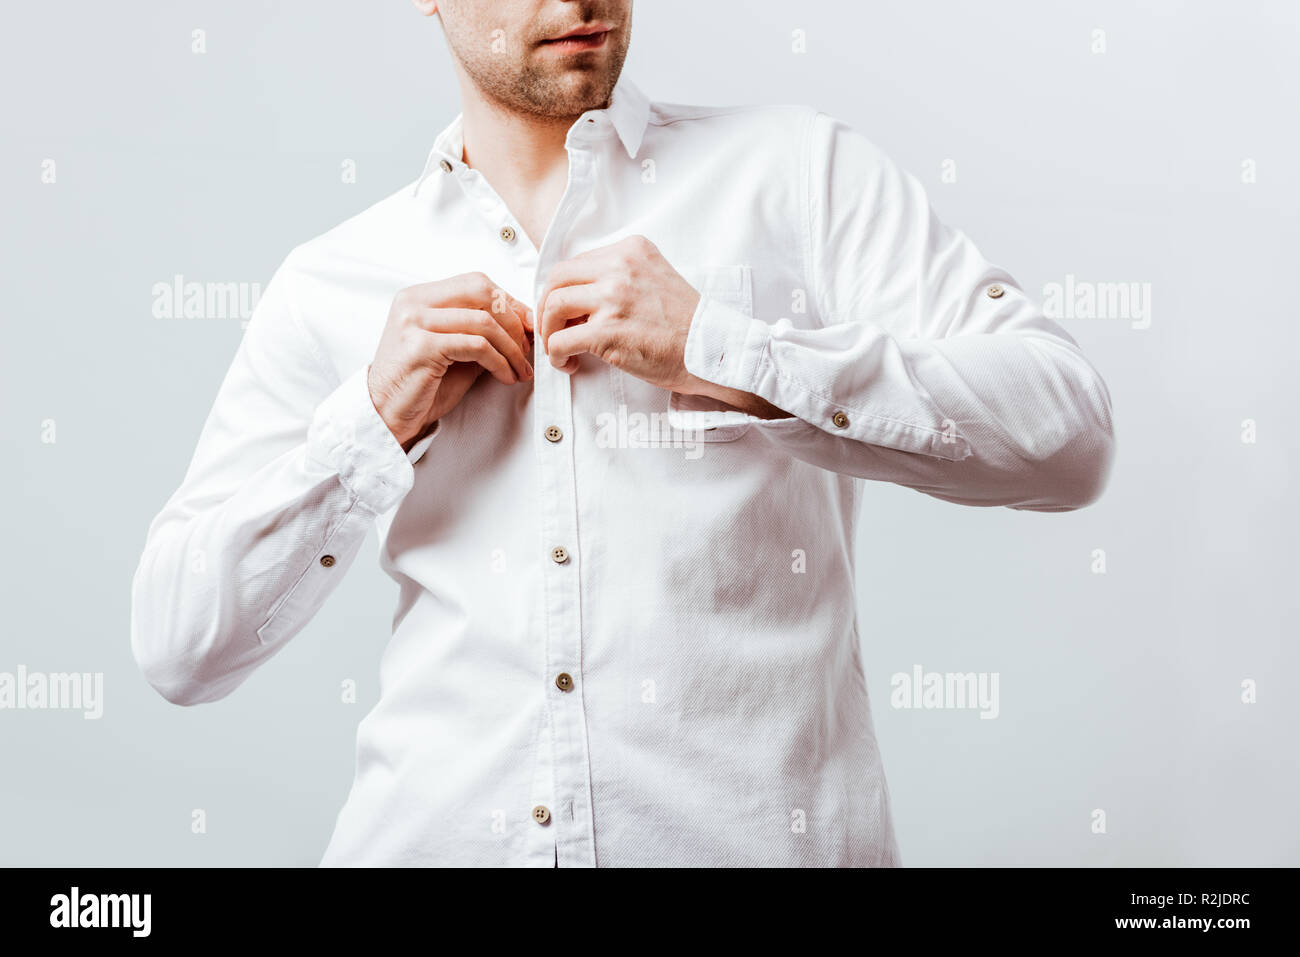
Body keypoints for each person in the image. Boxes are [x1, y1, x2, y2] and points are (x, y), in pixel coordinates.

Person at [130, 0, 1116, 867]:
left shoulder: (798, 176)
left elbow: (1065, 432)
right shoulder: (336, 280)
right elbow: (180, 648)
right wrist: (372, 422)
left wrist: (720, 349)